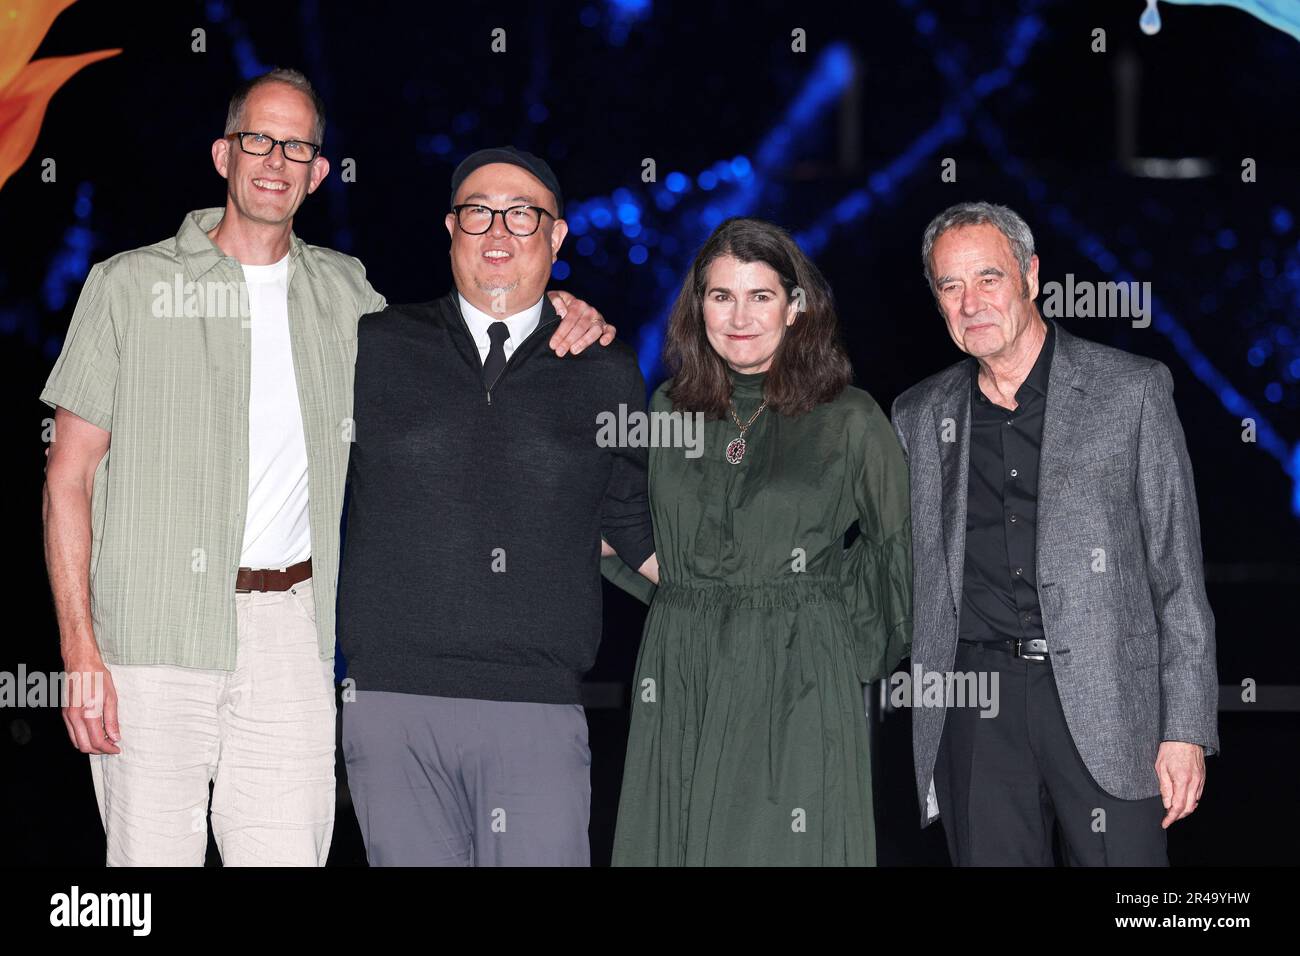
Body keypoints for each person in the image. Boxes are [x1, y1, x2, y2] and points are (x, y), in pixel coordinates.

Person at [40, 72, 611, 866]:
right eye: (258, 140)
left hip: (293, 639)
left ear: (317, 172)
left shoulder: (348, 296)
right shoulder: (128, 286)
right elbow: (67, 479)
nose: (275, 160)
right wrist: (79, 652)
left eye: (297, 146)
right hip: (150, 637)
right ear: (224, 155)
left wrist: (561, 310)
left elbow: (458, 344)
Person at [338, 147, 656, 867]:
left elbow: (630, 523)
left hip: (537, 708)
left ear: (557, 236)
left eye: (522, 215)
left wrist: (761, 594)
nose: (499, 231)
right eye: (478, 212)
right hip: (390, 705)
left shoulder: (606, 368)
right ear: (451, 228)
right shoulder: (373, 345)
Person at [892, 200, 1218, 866]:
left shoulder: (1131, 391)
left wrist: (1185, 728)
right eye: (950, 286)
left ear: (1031, 275)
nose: (971, 303)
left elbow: (1178, 575)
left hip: (1111, 703)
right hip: (976, 705)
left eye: (988, 278)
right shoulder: (918, 415)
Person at [601, 216, 912, 865]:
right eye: (722, 296)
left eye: (760, 296)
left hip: (794, 677)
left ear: (796, 307)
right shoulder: (668, 408)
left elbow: (901, 552)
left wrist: (836, 646)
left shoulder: (850, 417)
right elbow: (641, 534)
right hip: (683, 668)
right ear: (698, 307)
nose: (739, 317)